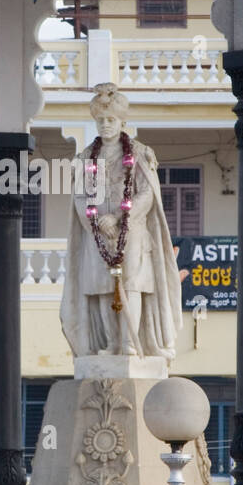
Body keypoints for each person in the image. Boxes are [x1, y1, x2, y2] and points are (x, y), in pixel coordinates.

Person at [61, 83, 181, 359]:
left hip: (132, 232)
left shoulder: (139, 153)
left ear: (122, 121)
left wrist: (118, 217)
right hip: (97, 233)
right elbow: (80, 197)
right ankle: (112, 344)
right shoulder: (84, 159)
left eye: (111, 120)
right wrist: (98, 220)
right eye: (101, 120)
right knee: (102, 287)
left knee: (131, 285)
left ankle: (129, 343)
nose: (105, 125)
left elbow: (147, 193)